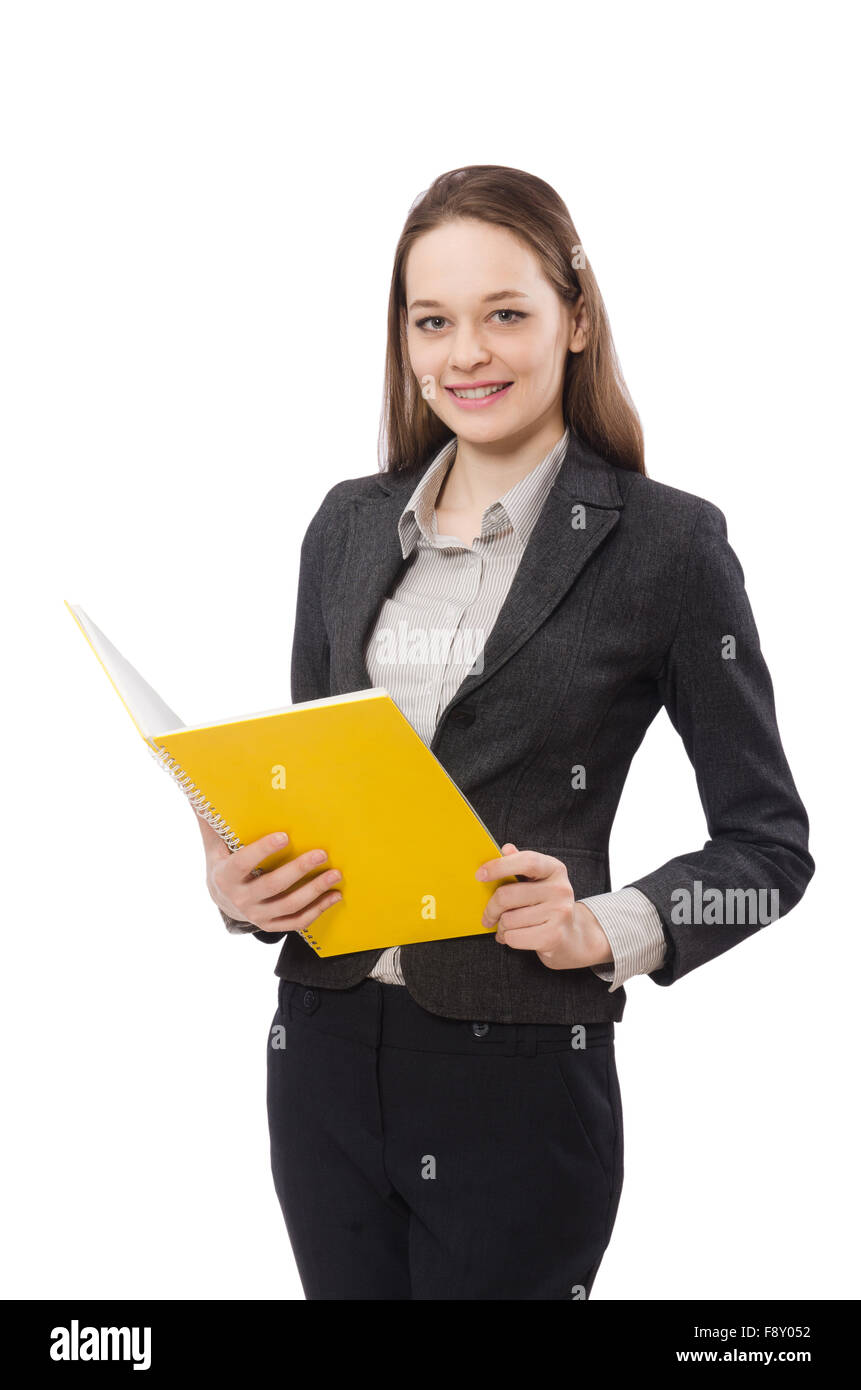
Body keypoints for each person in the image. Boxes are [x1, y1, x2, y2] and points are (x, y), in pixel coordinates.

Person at [197, 165, 814, 1300]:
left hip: (521, 1074)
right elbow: (298, 782)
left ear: (576, 320)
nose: (464, 353)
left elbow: (770, 850)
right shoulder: (344, 526)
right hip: (323, 1055)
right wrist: (239, 880)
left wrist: (605, 927)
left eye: (505, 314)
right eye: (433, 320)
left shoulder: (669, 548)